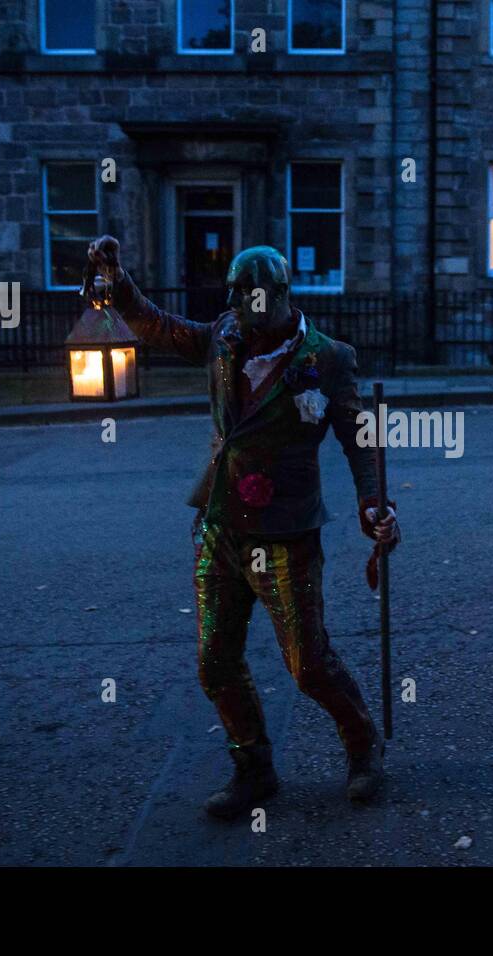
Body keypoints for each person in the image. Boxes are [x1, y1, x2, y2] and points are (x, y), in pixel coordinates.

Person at [87, 236, 401, 819]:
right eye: (233, 297)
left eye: (249, 299)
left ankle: (364, 747)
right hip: (220, 527)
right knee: (215, 663)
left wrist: (374, 502)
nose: (238, 310)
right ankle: (253, 767)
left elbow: (361, 438)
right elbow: (158, 327)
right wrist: (119, 282)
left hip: (286, 534)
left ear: (282, 297)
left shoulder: (327, 358)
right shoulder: (223, 339)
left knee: (308, 666)